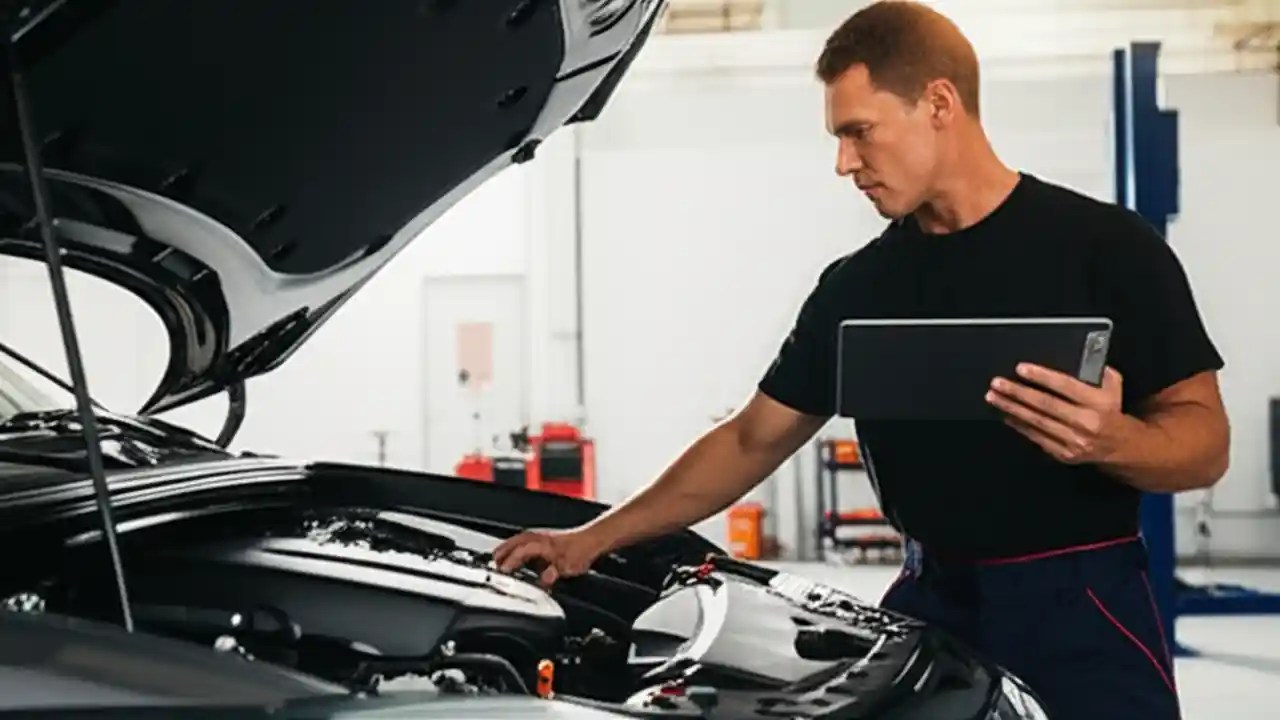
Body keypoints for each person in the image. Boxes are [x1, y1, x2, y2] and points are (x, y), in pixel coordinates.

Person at [495, 2, 1230, 717]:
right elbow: (749, 439)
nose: (845, 163)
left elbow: (1204, 445)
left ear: (939, 103)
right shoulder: (858, 287)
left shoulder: (1108, 250)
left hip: (1086, 611)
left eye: (860, 133)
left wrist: (1114, 441)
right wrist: (589, 537)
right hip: (931, 605)